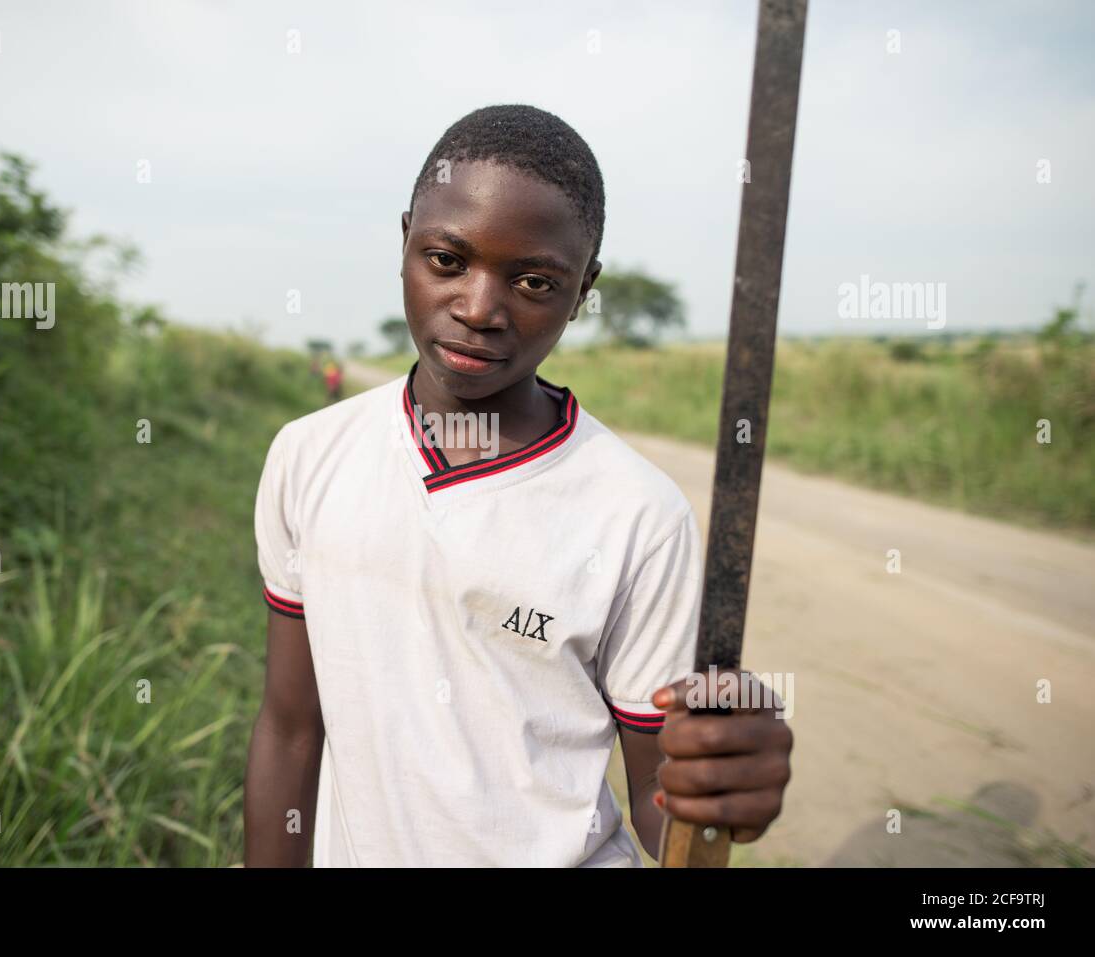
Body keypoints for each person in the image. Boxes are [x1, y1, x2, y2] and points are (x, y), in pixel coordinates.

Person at [245, 104, 792, 867]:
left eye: (534, 280)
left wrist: (721, 793)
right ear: (405, 239)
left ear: (583, 289)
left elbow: (661, 805)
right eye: (446, 260)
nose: (479, 308)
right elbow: (290, 725)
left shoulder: (638, 514)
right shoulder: (310, 454)